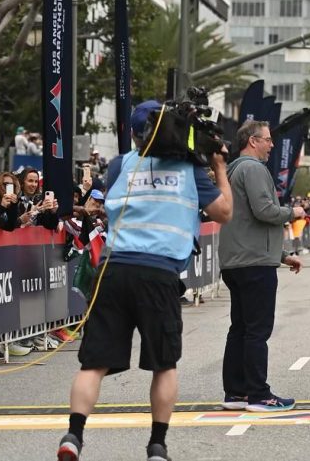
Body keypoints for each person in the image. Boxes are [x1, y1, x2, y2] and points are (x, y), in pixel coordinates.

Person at [57, 100, 232, 461]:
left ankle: (73, 436)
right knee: (163, 364)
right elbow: (224, 212)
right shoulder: (190, 169)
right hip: (159, 273)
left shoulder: (122, 164)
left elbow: (111, 204)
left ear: (135, 134)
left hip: (114, 269)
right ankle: (157, 445)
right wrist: (218, 166)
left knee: (93, 364)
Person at [218, 118, 306, 414]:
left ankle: (236, 392)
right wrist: (293, 212)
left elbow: (246, 223)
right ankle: (259, 394)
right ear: (252, 141)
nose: (271, 145)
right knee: (257, 330)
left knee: (240, 329)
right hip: (254, 264)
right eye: (267, 139)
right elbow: (264, 211)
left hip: (237, 260)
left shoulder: (231, 170)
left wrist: (281, 256)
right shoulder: (254, 169)